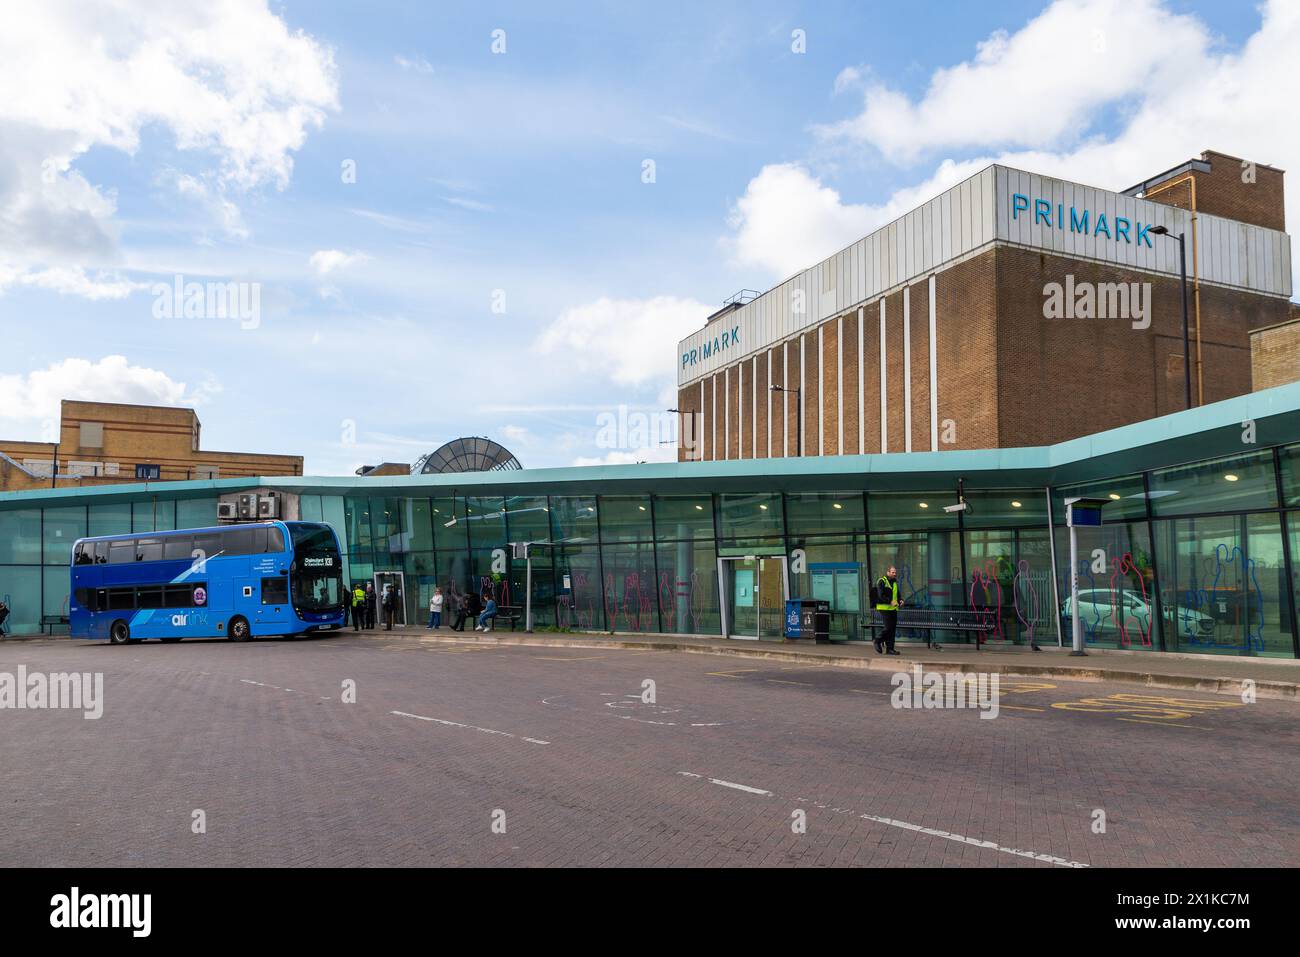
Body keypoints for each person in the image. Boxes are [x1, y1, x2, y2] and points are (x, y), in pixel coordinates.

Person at [874, 565, 903, 656]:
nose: (894, 574)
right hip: (884, 608)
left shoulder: (894, 583)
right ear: (888, 572)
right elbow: (880, 595)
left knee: (892, 629)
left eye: (895, 572)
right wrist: (890, 602)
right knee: (888, 627)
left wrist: (900, 600)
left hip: (893, 608)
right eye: (892, 572)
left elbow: (896, 594)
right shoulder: (881, 581)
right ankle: (877, 640)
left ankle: (890, 649)